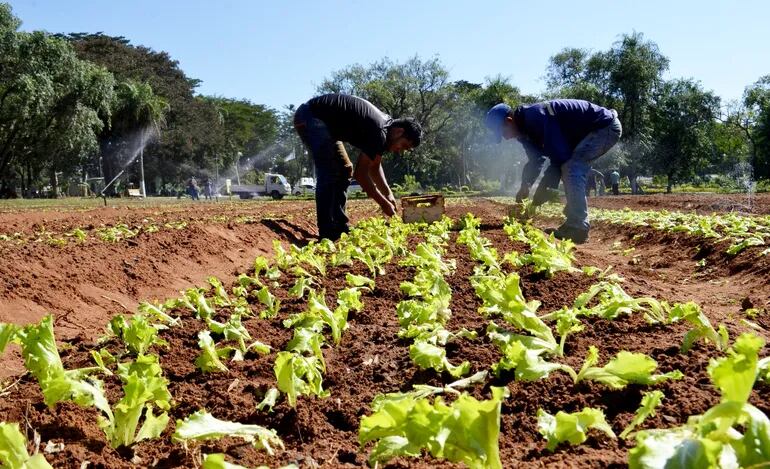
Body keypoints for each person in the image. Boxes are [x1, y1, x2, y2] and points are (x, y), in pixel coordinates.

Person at [485, 99, 622, 243]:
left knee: (571, 167)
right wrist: (526, 185)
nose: (505, 138)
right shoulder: (523, 132)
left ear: (509, 121)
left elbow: (560, 155)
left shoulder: (537, 116)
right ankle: (573, 221)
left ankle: (578, 227)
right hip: (588, 134)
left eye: (502, 133)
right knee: (568, 167)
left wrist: (546, 188)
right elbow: (535, 160)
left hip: (604, 127)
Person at [294, 93, 422, 240]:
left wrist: (388, 193)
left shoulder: (385, 129)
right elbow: (361, 175)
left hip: (325, 125)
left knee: (344, 169)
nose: (400, 150)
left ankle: (340, 227)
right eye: (403, 145)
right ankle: (328, 231)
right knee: (329, 170)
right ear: (399, 131)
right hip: (310, 117)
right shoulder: (380, 131)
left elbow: (374, 167)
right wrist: (383, 203)